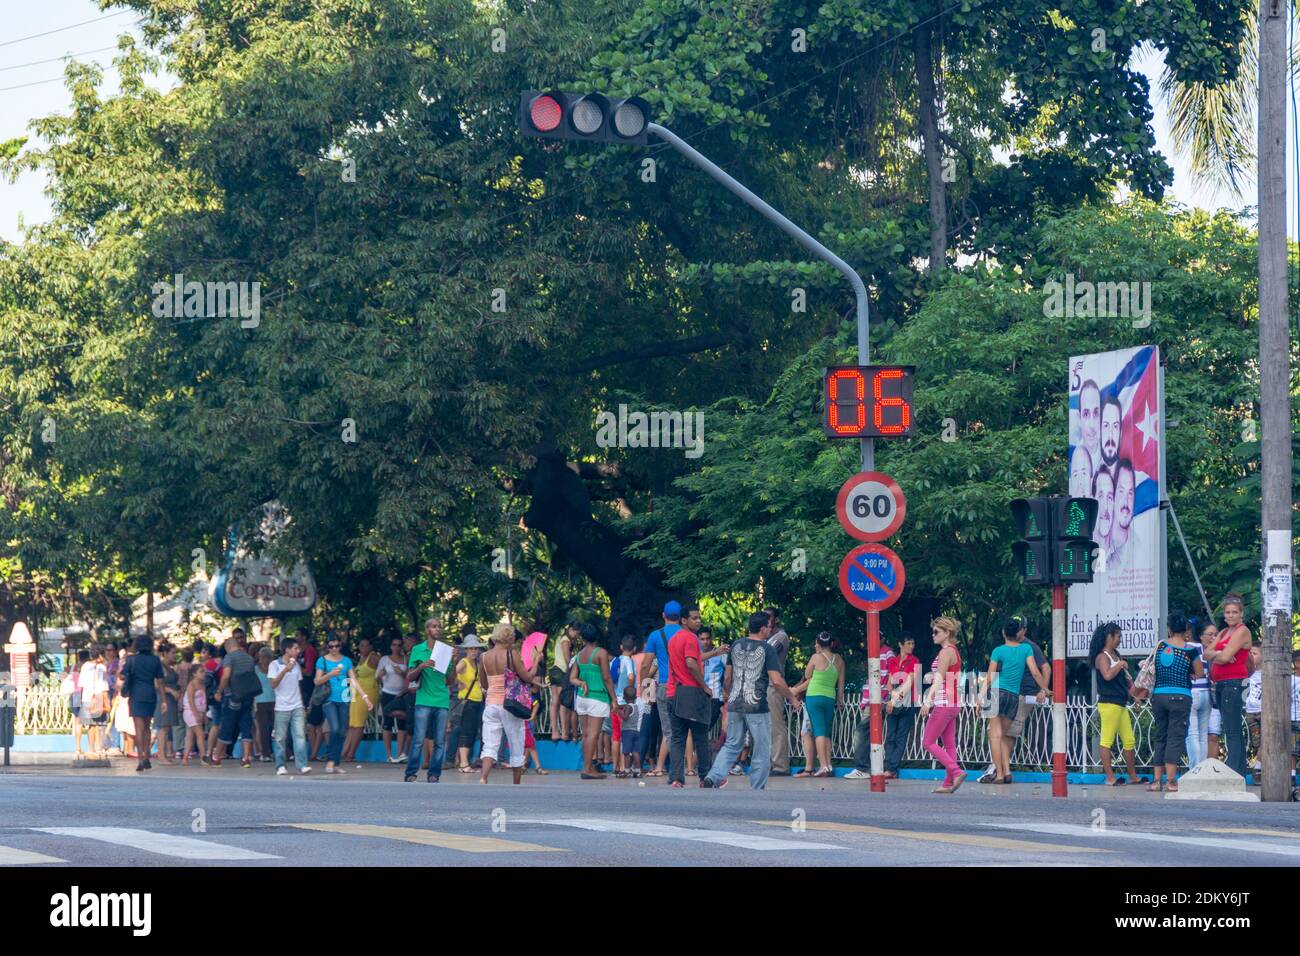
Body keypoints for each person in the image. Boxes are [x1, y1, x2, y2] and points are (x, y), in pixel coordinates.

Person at [703, 611, 800, 790]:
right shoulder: (767, 649)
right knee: (762, 747)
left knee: (732, 743)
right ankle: (757, 786)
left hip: (734, 702)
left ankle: (713, 777)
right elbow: (777, 681)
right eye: (769, 627)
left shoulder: (736, 645)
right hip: (756, 704)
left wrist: (727, 694)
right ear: (763, 629)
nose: (770, 630)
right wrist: (792, 698)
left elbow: (727, 677)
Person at [979, 617, 1047, 783]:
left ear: (1003, 632)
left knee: (994, 735)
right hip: (1014, 697)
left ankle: (1000, 775)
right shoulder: (1026, 649)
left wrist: (980, 698)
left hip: (996, 692)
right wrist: (1045, 689)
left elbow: (989, 677)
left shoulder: (998, 651)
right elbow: (1036, 672)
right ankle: (1007, 771)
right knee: (1004, 735)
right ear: (1018, 632)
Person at [1148, 613, 1203, 793]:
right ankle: (1171, 781)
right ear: (1186, 630)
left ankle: (1156, 781)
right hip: (1180, 697)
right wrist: (1189, 673)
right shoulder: (1190, 651)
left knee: (1161, 736)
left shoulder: (1161, 645)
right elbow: (1200, 673)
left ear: (1169, 629)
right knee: (1175, 737)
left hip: (1159, 696)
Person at [479, 622, 538, 784]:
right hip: (510, 705)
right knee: (516, 743)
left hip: (491, 704)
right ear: (510, 638)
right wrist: (536, 661)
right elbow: (527, 678)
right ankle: (516, 782)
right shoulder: (512, 655)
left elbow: (484, 684)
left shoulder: (484, 657)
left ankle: (484, 777)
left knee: (490, 744)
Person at [1203, 593, 1252, 776]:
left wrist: (1220, 653)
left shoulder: (1242, 630)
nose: (1231, 615)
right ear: (1224, 614)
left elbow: (1222, 657)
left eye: (1234, 612)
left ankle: (1235, 770)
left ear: (1241, 614)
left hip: (1234, 683)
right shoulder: (1223, 632)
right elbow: (1207, 653)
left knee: (1232, 729)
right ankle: (1236, 768)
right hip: (1222, 683)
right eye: (1228, 612)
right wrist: (1220, 653)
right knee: (1229, 727)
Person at [403, 617, 456, 783]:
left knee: (440, 741)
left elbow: (450, 681)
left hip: (441, 700)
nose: (437, 629)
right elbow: (410, 676)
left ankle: (434, 774)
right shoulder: (418, 649)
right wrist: (421, 666)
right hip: (423, 700)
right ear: (427, 630)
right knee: (418, 740)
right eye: (434, 627)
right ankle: (411, 773)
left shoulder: (446, 651)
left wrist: (453, 663)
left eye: (439, 626)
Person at [667, 609, 714, 788]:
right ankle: (705, 778)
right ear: (684, 620)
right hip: (692, 693)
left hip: (674, 692)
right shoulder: (691, 639)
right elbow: (691, 663)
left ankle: (677, 778)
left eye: (699, 618)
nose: (698, 621)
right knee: (700, 737)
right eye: (694, 618)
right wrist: (705, 686)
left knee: (677, 738)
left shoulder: (673, 640)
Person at [920, 617, 966, 793]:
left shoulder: (946, 652)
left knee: (928, 742)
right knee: (949, 745)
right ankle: (948, 784)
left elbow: (940, 679)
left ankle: (956, 772)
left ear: (947, 633)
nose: (933, 635)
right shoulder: (954, 651)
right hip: (953, 703)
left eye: (936, 632)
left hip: (944, 702)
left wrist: (928, 700)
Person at [1092, 621, 1140, 785]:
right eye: (1118, 636)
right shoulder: (1102, 657)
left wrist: (1135, 695)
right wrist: (1119, 665)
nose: (1120, 639)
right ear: (1109, 637)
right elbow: (1107, 675)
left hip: (1120, 703)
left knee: (1129, 740)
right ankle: (1110, 777)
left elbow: (1127, 680)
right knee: (1107, 740)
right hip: (1109, 703)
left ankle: (1133, 776)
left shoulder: (1116, 655)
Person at [791, 632, 843, 778]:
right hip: (830, 697)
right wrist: (840, 700)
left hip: (814, 696)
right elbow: (841, 682)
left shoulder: (816, 657)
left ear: (819, 645)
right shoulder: (839, 659)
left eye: (816, 644)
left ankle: (823, 766)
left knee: (819, 732)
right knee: (825, 731)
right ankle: (829, 765)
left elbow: (808, 676)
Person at [642, 602, 684, 777]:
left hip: (665, 686)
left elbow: (646, 663)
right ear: (682, 617)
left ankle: (675, 769)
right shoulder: (687, 635)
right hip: (685, 687)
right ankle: (679, 767)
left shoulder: (655, 636)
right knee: (682, 729)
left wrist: (643, 686)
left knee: (668, 730)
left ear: (663, 615)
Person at [572, 622, 616, 779]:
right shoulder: (600, 653)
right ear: (597, 636)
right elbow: (606, 677)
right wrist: (614, 699)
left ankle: (588, 766)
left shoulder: (579, 655)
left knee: (585, 734)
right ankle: (588, 769)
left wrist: (582, 683)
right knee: (593, 735)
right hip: (598, 697)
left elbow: (572, 678)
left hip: (582, 698)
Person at [315, 636, 364, 774]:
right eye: (331, 646)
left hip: (344, 699)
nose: (334, 649)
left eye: (337, 646)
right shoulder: (322, 660)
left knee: (342, 731)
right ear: (327, 647)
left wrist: (364, 696)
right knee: (334, 728)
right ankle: (330, 760)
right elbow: (317, 681)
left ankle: (336, 763)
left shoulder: (346, 661)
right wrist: (330, 674)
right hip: (329, 699)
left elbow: (353, 679)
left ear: (340, 647)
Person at [212, 634, 262, 768]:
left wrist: (219, 691)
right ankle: (246, 758)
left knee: (227, 724)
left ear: (228, 647)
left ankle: (217, 756)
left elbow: (226, 676)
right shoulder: (249, 658)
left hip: (233, 696)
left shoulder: (229, 657)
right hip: (248, 696)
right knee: (246, 725)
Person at [119, 635, 166, 772]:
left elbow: (122, 675)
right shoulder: (155, 660)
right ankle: (146, 755)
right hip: (150, 695)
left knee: (138, 728)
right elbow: (160, 681)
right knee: (147, 726)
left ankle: (140, 759)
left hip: (135, 695)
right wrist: (163, 700)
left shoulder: (132, 659)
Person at [267, 637, 311, 775]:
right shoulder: (274, 665)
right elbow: (273, 684)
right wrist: (286, 669)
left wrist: (302, 706)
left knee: (300, 735)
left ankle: (302, 765)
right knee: (280, 737)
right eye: (295, 648)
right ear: (287, 650)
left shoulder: (297, 665)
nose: (298, 651)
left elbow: (297, 686)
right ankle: (280, 765)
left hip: (296, 704)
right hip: (281, 707)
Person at [882, 634, 919, 779]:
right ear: (901, 644)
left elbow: (908, 684)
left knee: (900, 737)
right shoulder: (893, 661)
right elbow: (890, 681)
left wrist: (894, 700)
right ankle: (888, 766)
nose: (911, 646)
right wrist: (891, 696)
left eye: (912, 643)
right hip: (895, 696)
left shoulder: (914, 661)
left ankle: (892, 768)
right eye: (908, 643)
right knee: (890, 735)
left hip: (907, 699)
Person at [764, 608, 792, 776]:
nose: (766, 620)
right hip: (764, 684)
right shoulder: (767, 637)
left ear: (776, 620)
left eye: (769, 617)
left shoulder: (780, 637)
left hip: (774, 685)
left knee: (776, 726)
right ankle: (769, 762)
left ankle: (780, 765)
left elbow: (767, 654)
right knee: (765, 727)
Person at [343, 636, 379, 764]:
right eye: (361, 645)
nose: (363, 648)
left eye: (366, 645)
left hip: (368, 692)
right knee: (352, 724)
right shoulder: (361, 659)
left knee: (358, 725)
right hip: (356, 693)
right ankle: (345, 752)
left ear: (371, 647)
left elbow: (380, 672)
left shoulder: (374, 657)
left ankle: (351, 753)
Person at [454, 633, 486, 771]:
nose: (474, 651)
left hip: (477, 700)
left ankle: (463, 762)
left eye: (476, 648)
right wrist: (458, 682)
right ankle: (463, 763)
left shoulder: (477, 664)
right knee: (466, 732)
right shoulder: (464, 662)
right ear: (466, 650)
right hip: (468, 701)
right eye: (471, 648)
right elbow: (451, 673)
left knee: (472, 732)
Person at [376, 634, 410, 763]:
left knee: (402, 724)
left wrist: (402, 673)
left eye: (399, 645)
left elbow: (409, 677)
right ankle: (389, 755)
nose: (396, 647)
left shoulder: (406, 659)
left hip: (401, 694)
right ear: (390, 646)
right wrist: (381, 675)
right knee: (387, 723)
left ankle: (400, 753)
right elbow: (377, 678)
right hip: (387, 692)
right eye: (394, 645)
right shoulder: (384, 659)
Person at [1186, 619, 1215, 766]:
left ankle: (1194, 770)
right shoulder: (1206, 649)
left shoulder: (1187, 647)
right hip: (1206, 694)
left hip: (1191, 693)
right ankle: (1202, 768)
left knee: (1192, 735)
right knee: (1203, 736)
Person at [549, 622, 578, 742]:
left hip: (554, 670)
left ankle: (554, 731)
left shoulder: (559, 638)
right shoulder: (566, 640)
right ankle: (565, 732)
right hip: (562, 671)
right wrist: (572, 673)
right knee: (563, 703)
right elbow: (567, 659)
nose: (577, 635)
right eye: (577, 632)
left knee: (554, 701)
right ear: (571, 629)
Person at [153, 642, 180, 764]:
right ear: (165, 653)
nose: (175, 655)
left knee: (167, 727)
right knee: (163, 727)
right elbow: (157, 684)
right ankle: (161, 754)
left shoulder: (170, 667)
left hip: (171, 699)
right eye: (173, 653)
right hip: (163, 698)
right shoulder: (160, 666)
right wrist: (171, 691)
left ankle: (164, 753)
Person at [253, 647, 276, 762]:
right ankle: (265, 752)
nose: (263, 659)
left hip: (274, 700)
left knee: (273, 727)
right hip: (260, 701)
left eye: (266, 657)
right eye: (261, 657)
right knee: (263, 728)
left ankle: (273, 751)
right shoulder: (255, 669)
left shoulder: (274, 668)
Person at [181, 664, 208, 765]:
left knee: (190, 735)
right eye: (201, 672)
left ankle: (185, 757)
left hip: (199, 711)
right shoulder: (191, 685)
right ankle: (203, 757)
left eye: (203, 671)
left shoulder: (202, 684)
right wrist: (196, 714)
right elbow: (191, 701)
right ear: (194, 674)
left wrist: (204, 714)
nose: (204, 674)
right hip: (191, 711)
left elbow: (204, 701)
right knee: (200, 734)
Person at [617, 684, 644, 778]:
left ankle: (627, 770)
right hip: (636, 731)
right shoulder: (635, 706)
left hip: (627, 732)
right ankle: (638, 770)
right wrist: (620, 707)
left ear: (624, 697)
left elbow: (625, 717)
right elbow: (625, 706)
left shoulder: (627, 708)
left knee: (626, 752)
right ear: (636, 696)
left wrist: (619, 712)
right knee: (636, 751)